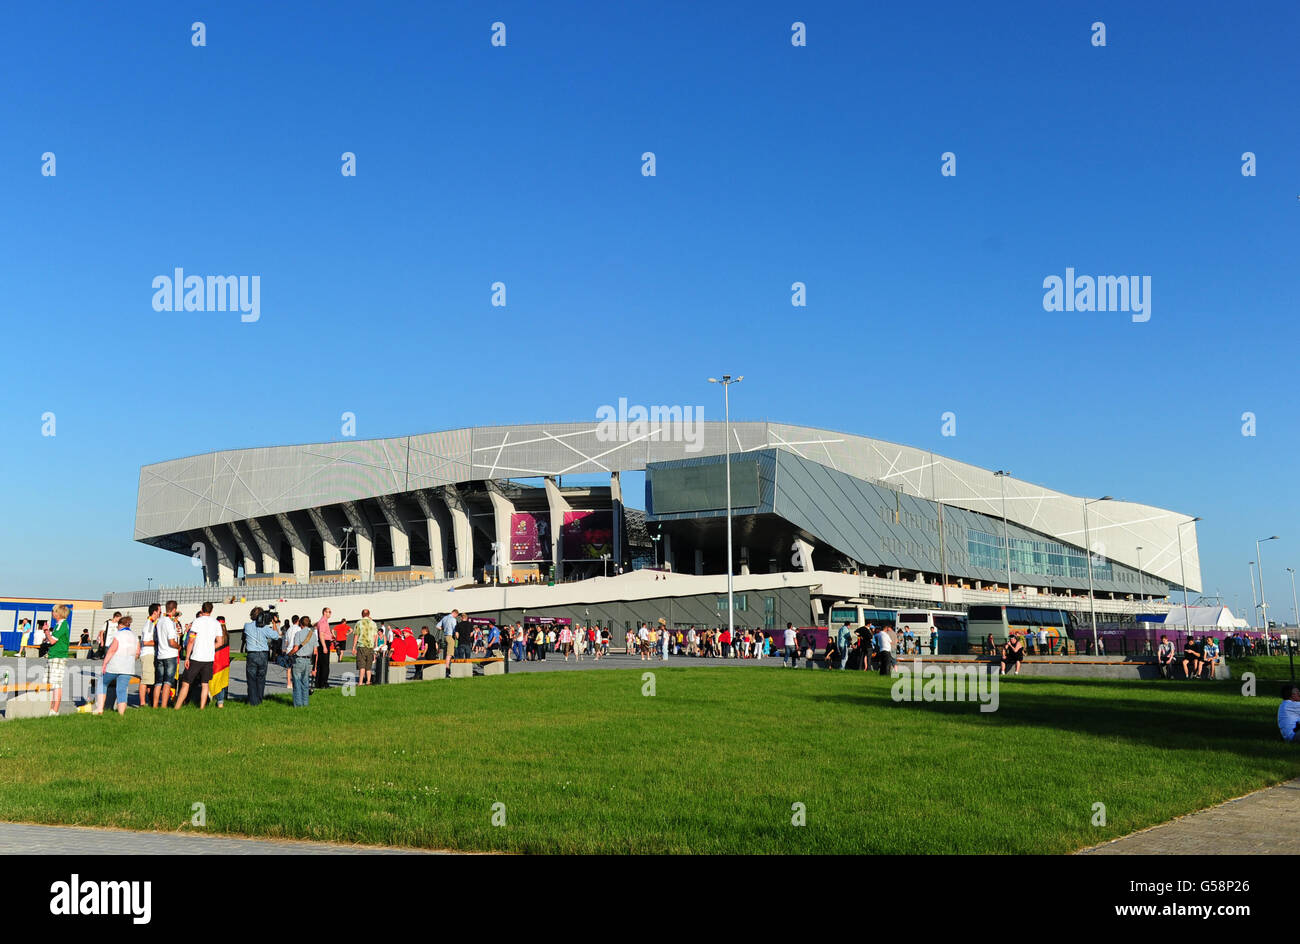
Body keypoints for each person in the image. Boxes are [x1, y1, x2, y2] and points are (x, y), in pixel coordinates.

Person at [173, 602, 224, 710]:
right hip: (209, 658)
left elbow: (191, 640)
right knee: (205, 684)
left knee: (186, 683)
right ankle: (201, 707)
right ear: (211, 611)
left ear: (202, 609)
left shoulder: (197, 621)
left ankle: (177, 706)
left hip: (196, 657)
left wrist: (187, 657)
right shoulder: (216, 623)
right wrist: (210, 647)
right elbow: (220, 642)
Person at [94, 615, 139, 715]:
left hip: (114, 666)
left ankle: (100, 708)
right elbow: (137, 653)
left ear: (120, 625)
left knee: (102, 682)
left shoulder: (118, 634)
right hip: (128, 668)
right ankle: (121, 714)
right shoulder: (135, 636)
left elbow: (112, 650)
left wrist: (104, 663)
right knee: (122, 690)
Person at [243, 606, 279, 706]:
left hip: (252, 654)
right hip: (263, 654)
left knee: (251, 678)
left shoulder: (247, 626)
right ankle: (259, 699)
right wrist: (274, 623)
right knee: (261, 678)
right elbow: (276, 636)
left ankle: (252, 701)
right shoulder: (265, 628)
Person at [43, 604, 73, 715]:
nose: (52, 613)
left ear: (58, 613)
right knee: (50, 683)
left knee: (56, 684)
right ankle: (50, 708)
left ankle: (55, 710)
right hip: (53, 655)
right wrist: (47, 633)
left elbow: (52, 641)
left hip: (58, 656)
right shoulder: (58, 625)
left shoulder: (62, 625)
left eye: (53, 611)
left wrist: (46, 631)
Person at [286, 614, 317, 707]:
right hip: (308, 660)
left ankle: (298, 705)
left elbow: (295, 648)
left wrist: (289, 654)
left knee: (297, 683)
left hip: (299, 660)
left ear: (300, 624)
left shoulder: (298, 634)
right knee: (305, 683)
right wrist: (315, 667)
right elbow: (315, 651)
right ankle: (305, 703)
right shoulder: (313, 634)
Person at [137, 603, 161, 709]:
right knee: (145, 680)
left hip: (151, 654)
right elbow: (146, 642)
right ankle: (142, 703)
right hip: (147, 654)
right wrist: (159, 642)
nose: (161, 612)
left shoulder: (153, 623)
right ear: (155, 611)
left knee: (150, 680)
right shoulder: (149, 624)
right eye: (159, 610)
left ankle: (150, 701)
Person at [352, 608, 379, 685]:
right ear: (369, 614)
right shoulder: (373, 623)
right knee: (369, 665)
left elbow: (356, 635)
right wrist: (375, 645)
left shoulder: (359, 623)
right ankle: (368, 681)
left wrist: (353, 647)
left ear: (362, 614)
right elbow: (375, 635)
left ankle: (360, 682)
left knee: (362, 665)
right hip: (370, 646)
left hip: (361, 646)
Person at [314, 608, 334, 691]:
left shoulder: (324, 622)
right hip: (324, 643)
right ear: (324, 612)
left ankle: (319, 683)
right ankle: (323, 683)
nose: (330, 613)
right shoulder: (322, 622)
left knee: (321, 664)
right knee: (325, 665)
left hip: (325, 642)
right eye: (329, 612)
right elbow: (321, 635)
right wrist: (324, 646)